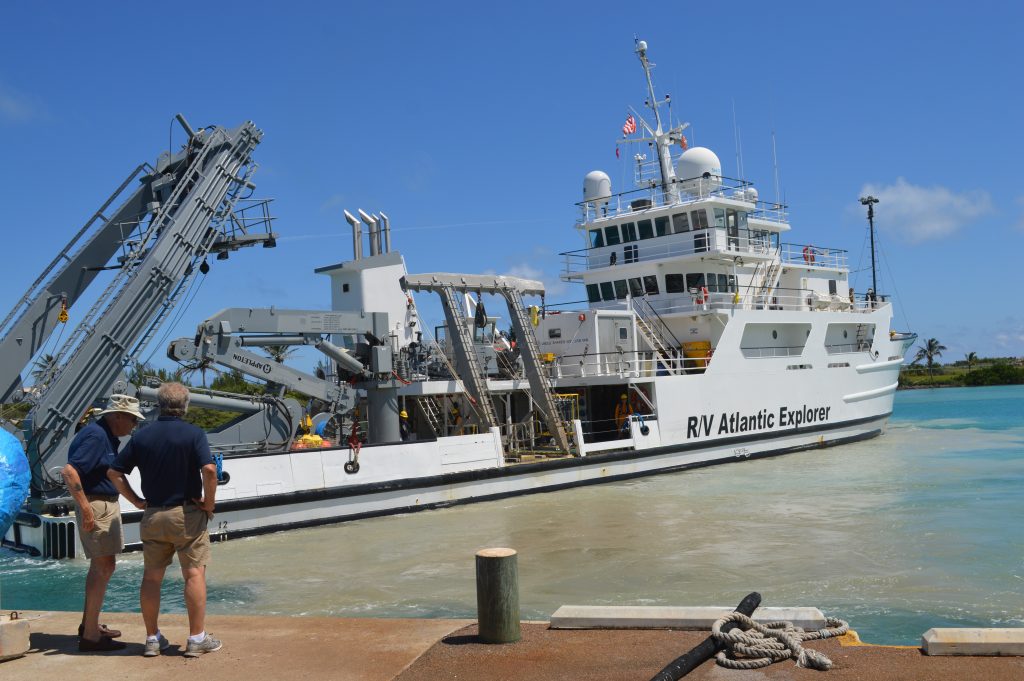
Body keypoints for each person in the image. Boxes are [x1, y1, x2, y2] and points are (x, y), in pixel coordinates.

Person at [107, 382, 222, 658]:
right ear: (185, 405)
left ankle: (152, 638)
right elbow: (208, 468)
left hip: (153, 514)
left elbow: (114, 472)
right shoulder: (194, 433)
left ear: (159, 405)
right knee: (194, 574)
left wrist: (135, 501)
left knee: (152, 577)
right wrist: (209, 503)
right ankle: (196, 639)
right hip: (187, 516)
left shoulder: (142, 436)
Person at [61, 394, 145, 653]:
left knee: (102, 566)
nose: (134, 425)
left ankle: (91, 625)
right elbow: (69, 471)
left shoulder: (102, 435)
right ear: (116, 415)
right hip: (97, 504)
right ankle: (90, 636)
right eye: (132, 419)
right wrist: (86, 509)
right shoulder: (97, 436)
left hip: (101, 502)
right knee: (103, 566)